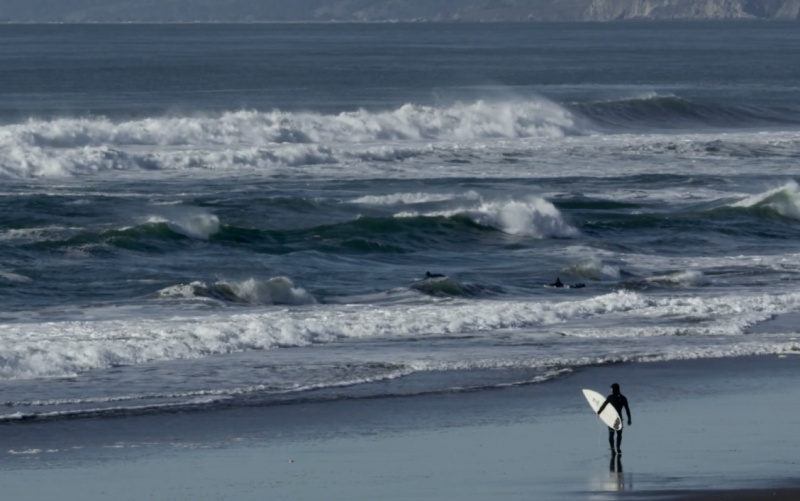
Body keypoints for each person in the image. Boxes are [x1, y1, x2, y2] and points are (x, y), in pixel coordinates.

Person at [597, 383, 632, 455]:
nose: (611, 389)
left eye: (611, 388)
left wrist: (599, 412)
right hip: (619, 419)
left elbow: (604, 405)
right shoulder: (623, 398)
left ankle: (612, 449)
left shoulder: (610, 397)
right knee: (619, 434)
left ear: (613, 389)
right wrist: (629, 419)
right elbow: (627, 409)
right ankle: (618, 448)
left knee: (611, 434)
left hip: (611, 419)